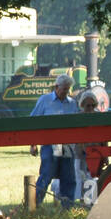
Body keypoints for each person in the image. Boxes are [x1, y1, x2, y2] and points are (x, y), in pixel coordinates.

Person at [29, 74, 81, 210]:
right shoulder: (44, 101)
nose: (66, 92)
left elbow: (76, 125)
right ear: (56, 87)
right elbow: (33, 122)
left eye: (68, 89)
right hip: (49, 146)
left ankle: (67, 208)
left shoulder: (72, 104)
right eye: (64, 89)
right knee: (46, 175)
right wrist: (33, 143)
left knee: (68, 178)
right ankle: (35, 206)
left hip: (67, 147)